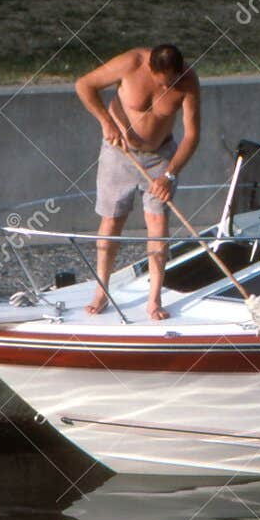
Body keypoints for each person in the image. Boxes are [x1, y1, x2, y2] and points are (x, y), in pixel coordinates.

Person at [75, 44, 200, 320]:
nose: (170, 85)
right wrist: (106, 121)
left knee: (158, 224)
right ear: (151, 69)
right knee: (111, 220)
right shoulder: (131, 63)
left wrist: (169, 175)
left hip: (160, 159)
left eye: (174, 79)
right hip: (119, 153)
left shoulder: (188, 81)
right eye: (164, 80)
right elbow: (84, 85)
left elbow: (192, 135)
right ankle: (101, 290)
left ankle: (154, 300)